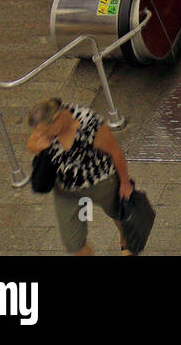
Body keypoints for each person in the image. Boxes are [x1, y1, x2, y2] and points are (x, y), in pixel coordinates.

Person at [26, 98, 133, 256]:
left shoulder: (89, 123)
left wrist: (125, 183)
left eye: (45, 131)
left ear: (57, 119)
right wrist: (40, 146)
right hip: (66, 188)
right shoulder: (44, 124)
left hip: (100, 181)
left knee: (119, 214)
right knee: (73, 243)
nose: (43, 135)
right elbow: (32, 143)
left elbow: (115, 153)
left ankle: (126, 242)